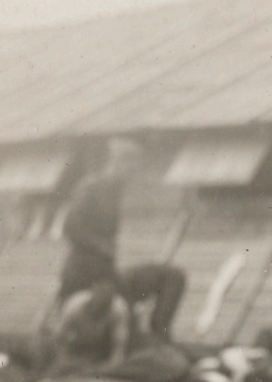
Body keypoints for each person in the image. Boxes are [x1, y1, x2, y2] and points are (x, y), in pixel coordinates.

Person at [56, 137, 185, 342]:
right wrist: (102, 247)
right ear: (116, 162)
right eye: (130, 168)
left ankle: (160, 333)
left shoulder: (115, 192)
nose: (131, 175)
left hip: (107, 273)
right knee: (126, 323)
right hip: (83, 277)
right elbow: (71, 228)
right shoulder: (90, 187)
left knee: (173, 276)